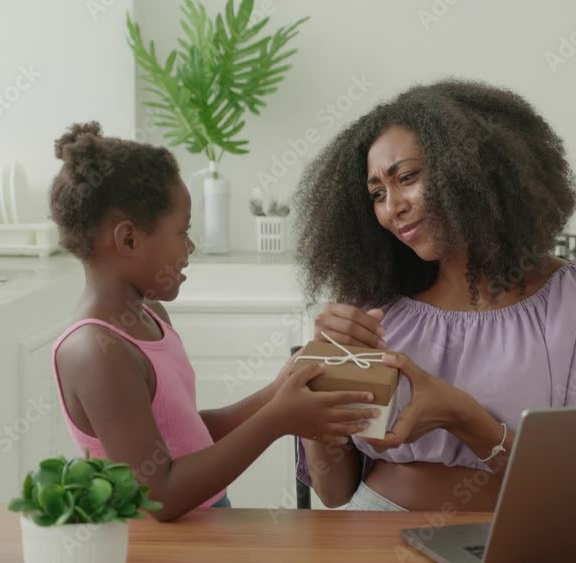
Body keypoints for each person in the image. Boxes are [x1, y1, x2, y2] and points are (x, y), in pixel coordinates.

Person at [292, 79, 576, 512]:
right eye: (377, 194)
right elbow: (333, 491)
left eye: (407, 178)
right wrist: (317, 382)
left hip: (510, 538)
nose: (392, 206)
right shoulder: (372, 304)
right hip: (369, 531)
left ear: (471, 172)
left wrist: (467, 420)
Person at [48, 122, 379, 522]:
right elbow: (162, 497)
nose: (189, 248)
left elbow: (186, 435)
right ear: (129, 240)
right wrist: (276, 421)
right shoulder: (95, 352)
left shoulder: (151, 316)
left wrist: (276, 392)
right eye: (182, 232)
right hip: (157, 550)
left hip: (204, 528)